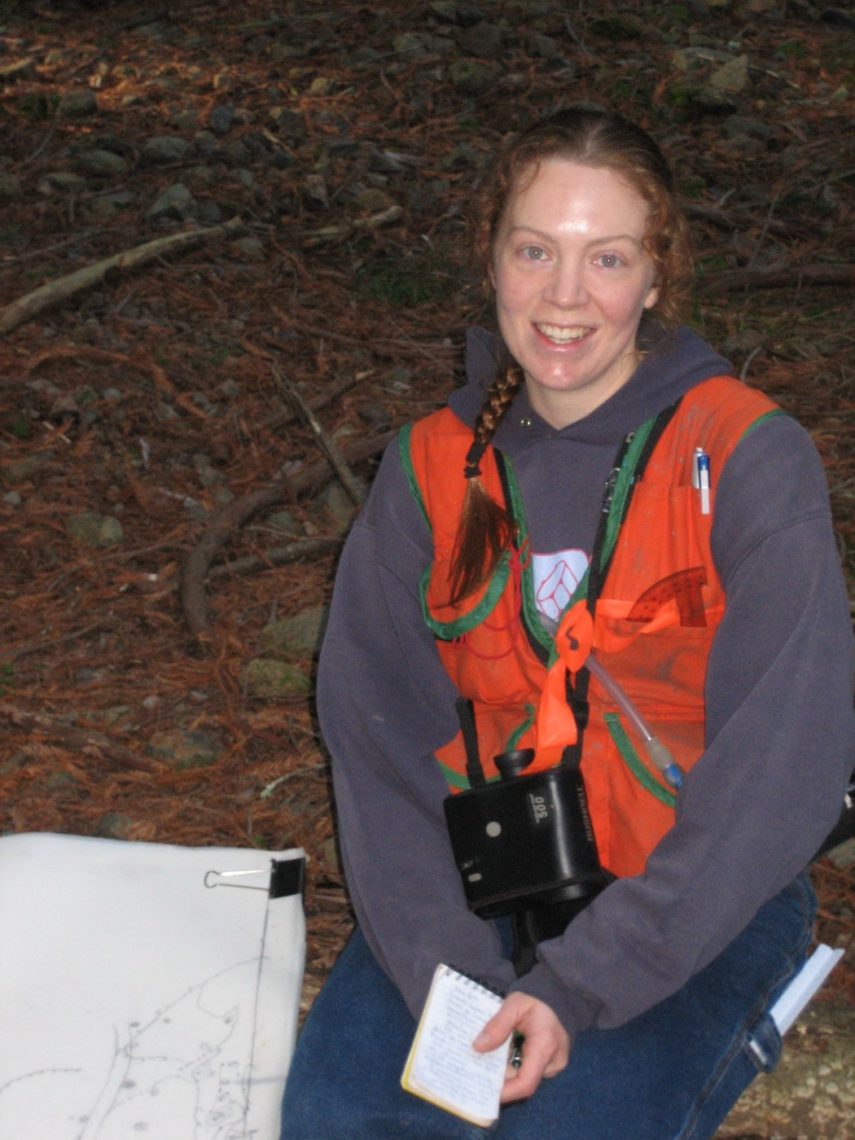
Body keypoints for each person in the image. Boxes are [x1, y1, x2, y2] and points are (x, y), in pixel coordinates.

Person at [280, 107, 854, 1139]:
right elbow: (377, 741)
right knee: (335, 1117)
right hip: (478, 888)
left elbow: (784, 767)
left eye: (608, 258)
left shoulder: (745, 459)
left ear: (657, 276)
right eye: (535, 250)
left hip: (691, 904)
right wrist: (451, 974)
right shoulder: (430, 469)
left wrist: (584, 985)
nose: (564, 297)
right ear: (491, 256)